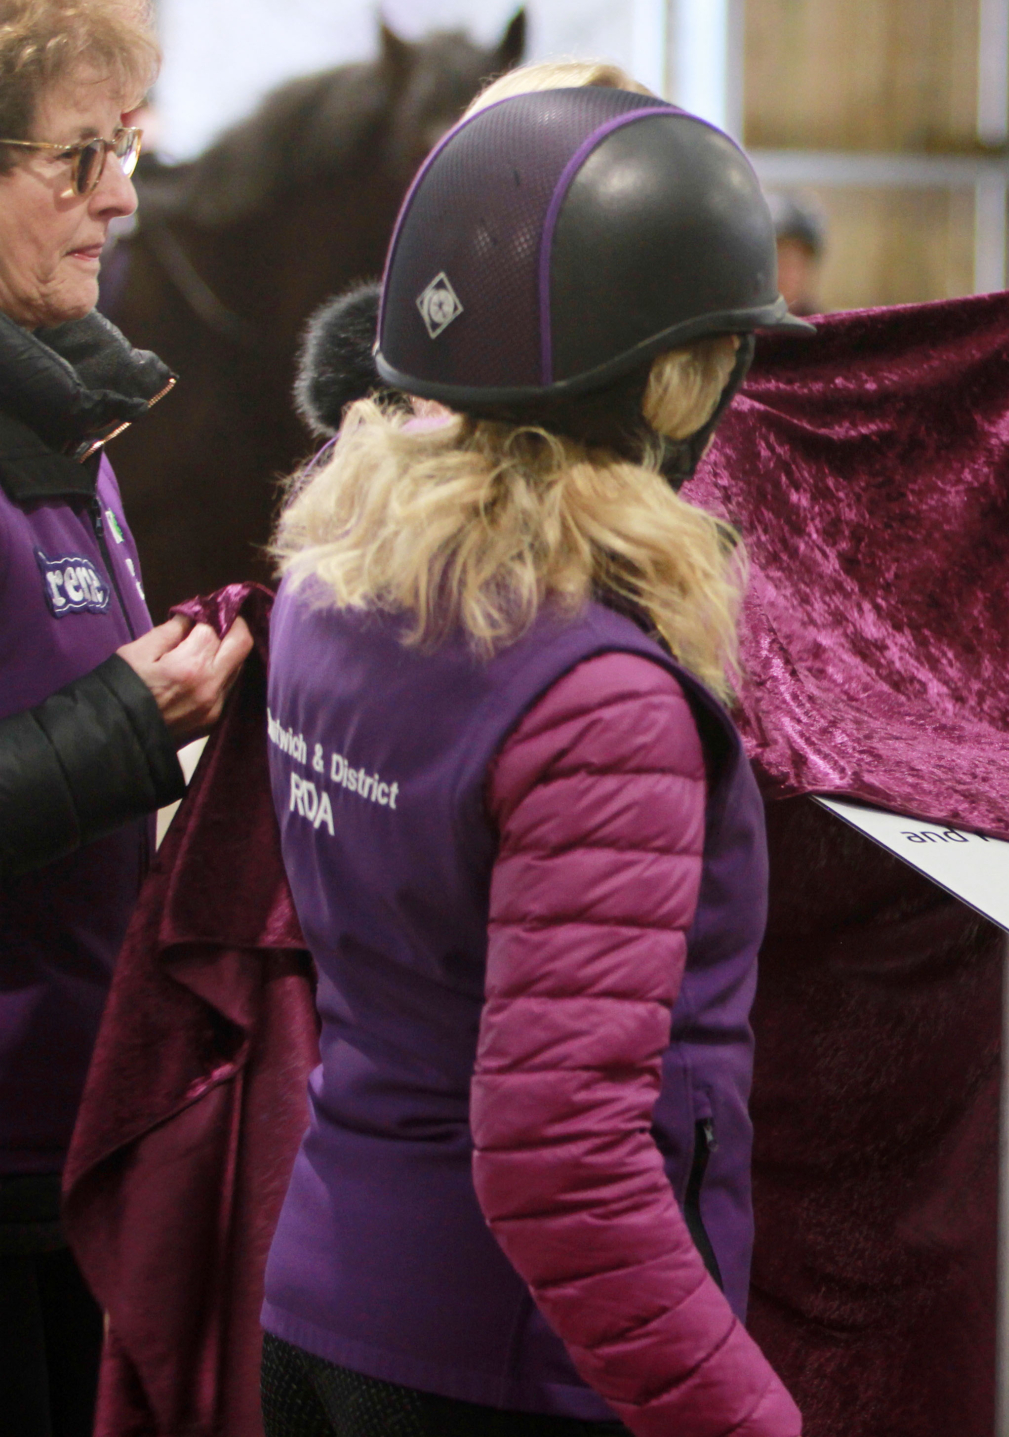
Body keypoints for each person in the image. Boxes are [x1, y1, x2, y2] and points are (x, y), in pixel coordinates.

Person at [257, 78, 809, 1437]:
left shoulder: (327, 592)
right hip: (506, 1359)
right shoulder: (595, 696)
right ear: (676, 375)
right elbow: (560, 1152)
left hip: (325, 1299)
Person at [0, 0, 250, 1437]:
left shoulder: (69, 419)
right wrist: (124, 725)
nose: (125, 193)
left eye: (131, 142)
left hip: (67, 1153)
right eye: (79, 153)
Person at [769, 193, 826, 317]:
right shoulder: (735, 330)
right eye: (776, 258)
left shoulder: (825, 329)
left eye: (793, 262)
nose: (783, 272)